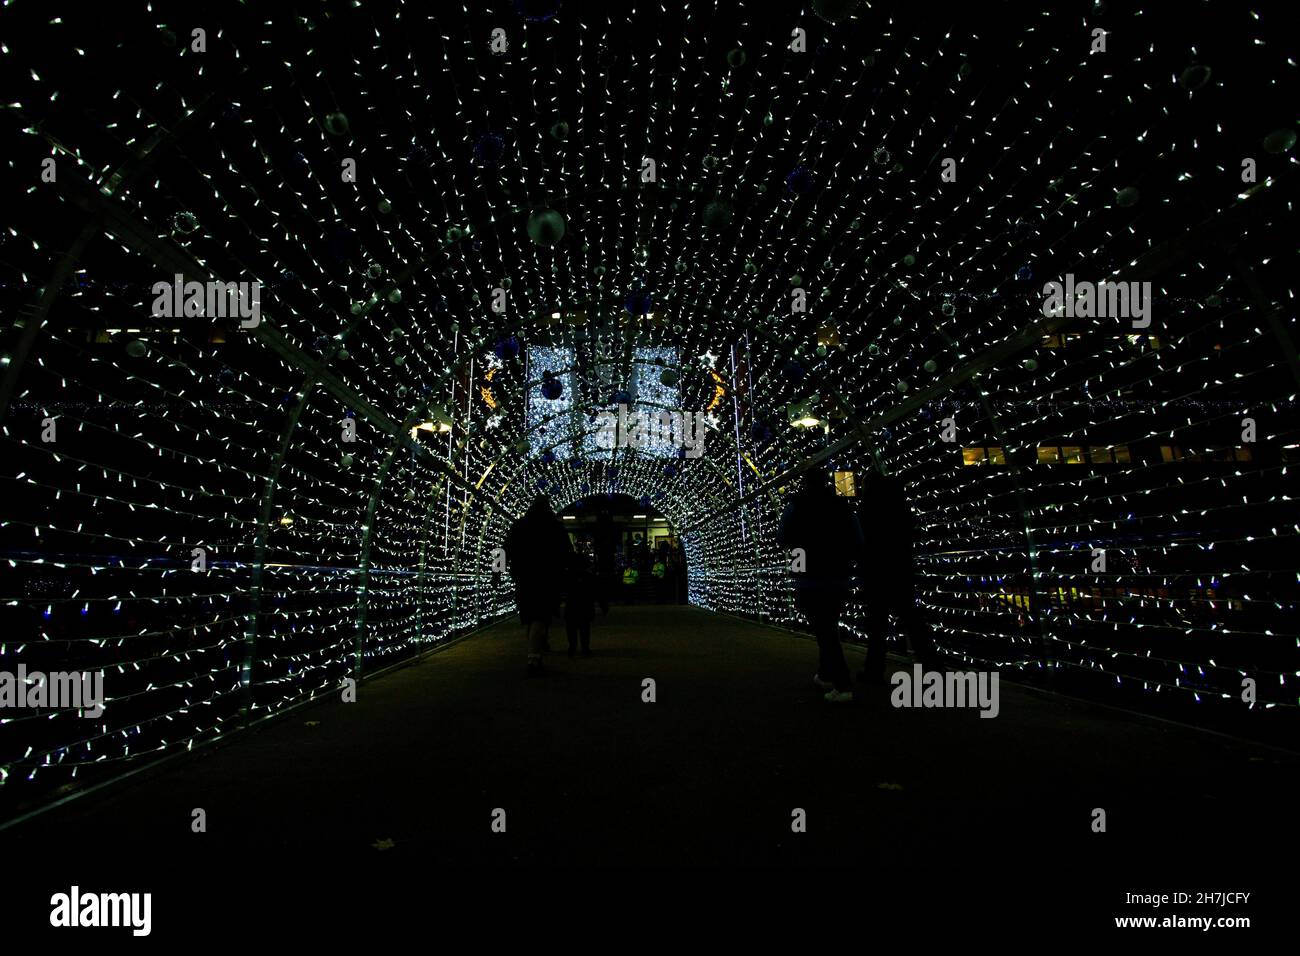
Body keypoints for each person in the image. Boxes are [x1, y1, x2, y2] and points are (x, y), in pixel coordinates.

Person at [777, 469, 865, 702]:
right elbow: (858, 539)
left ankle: (842, 684)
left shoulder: (796, 506)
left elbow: (783, 537)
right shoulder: (842, 506)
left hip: (809, 576)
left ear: (805, 484)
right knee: (829, 627)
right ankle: (826, 674)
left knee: (825, 631)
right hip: (838, 574)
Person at [855, 470, 941, 684]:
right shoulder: (900, 507)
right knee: (914, 623)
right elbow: (912, 534)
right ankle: (934, 669)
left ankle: (873, 671)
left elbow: (860, 542)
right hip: (901, 572)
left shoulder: (866, 509)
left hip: (876, 574)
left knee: (877, 627)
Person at [504, 495, 573, 676]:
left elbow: (503, 550)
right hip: (548, 579)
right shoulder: (555, 527)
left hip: (524, 578)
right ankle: (534, 658)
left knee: (532, 617)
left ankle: (535, 651)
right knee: (540, 617)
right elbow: (567, 553)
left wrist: (497, 573)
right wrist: (568, 573)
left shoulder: (519, 525)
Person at [564, 553, 608, 656]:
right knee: (584, 629)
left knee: (572, 629)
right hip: (585, 607)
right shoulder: (590, 577)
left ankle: (573, 648)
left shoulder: (569, 577)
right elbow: (598, 592)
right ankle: (584, 648)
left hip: (572, 607)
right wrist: (603, 606)